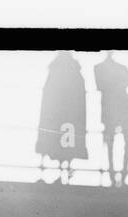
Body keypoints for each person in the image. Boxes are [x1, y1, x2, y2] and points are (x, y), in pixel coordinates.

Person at [94, 51, 128, 187]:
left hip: (118, 108)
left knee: (122, 141)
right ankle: (116, 176)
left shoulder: (109, 68)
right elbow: (102, 85)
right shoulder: (104, 68)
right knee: (114, 142)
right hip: (115, 108)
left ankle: (120, 175)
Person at [35, 51, 88, 184]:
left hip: (56, 117)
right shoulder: (74, 71)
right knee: (67, 146)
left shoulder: (54, 70)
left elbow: (47, 97)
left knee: (53, 143)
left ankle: (48, 172)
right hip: (69, 118)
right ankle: (65, 173)